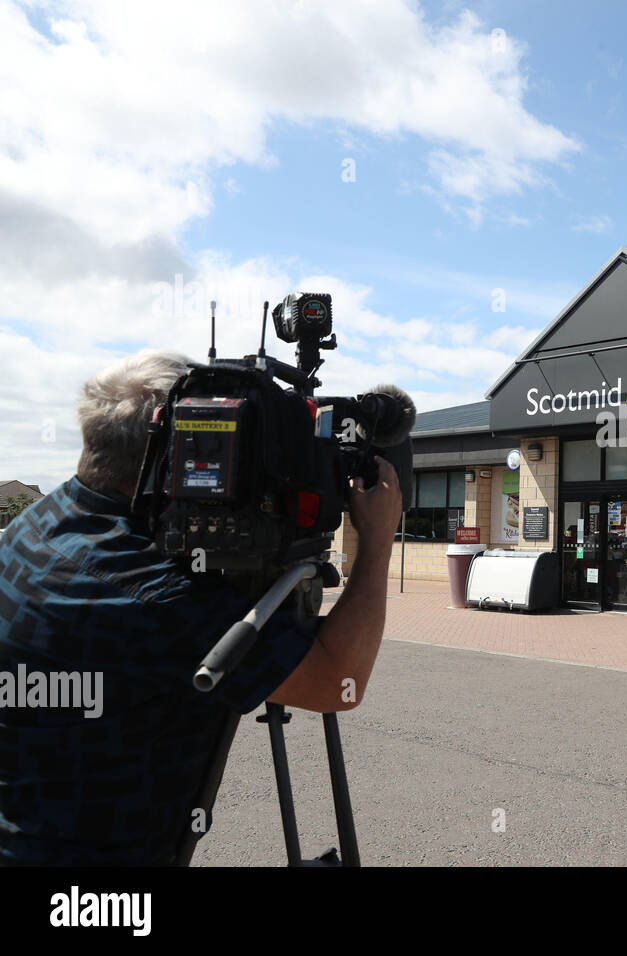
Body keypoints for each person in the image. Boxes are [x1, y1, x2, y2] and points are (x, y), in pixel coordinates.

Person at [0, 350, 403, 865]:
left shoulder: (35, 523)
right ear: (174, 449)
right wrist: (378, 539)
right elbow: (337, 683)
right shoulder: (156, 589)